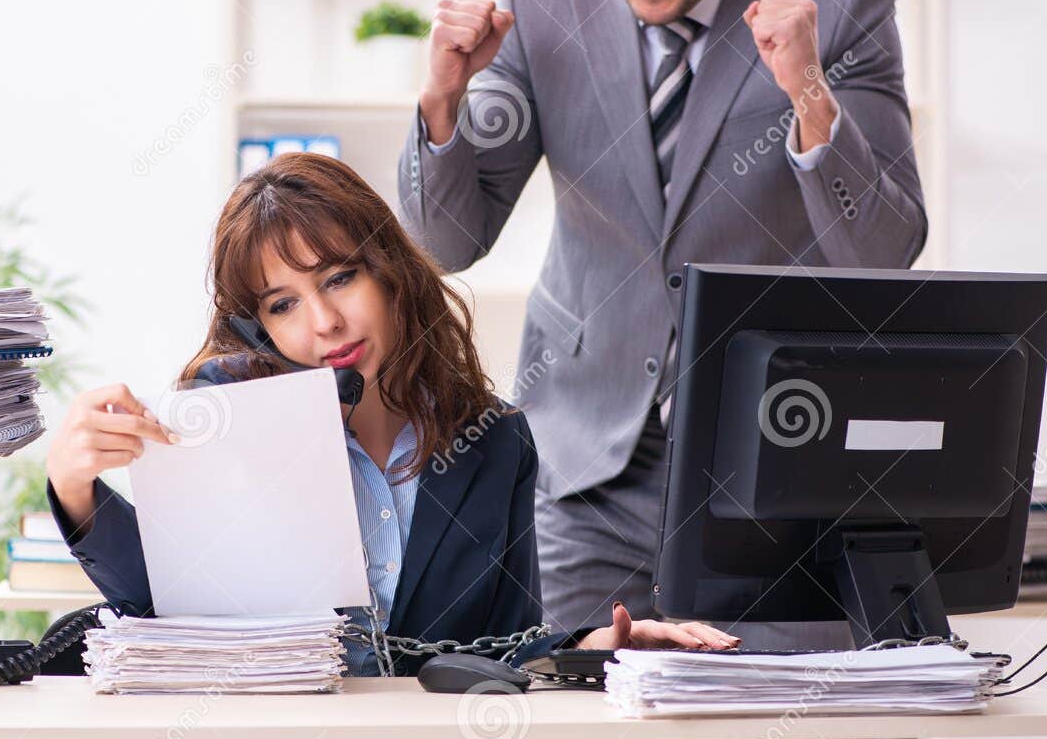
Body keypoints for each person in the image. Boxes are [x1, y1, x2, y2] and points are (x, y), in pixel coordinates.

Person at [397, 0, 928, 633]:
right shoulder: (541, 5)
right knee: (575, 735)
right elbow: (447, 241)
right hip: (588, 470)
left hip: (771, 468)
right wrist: (443, 97)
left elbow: (883, 249)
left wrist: (808, 93)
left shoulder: (842, 3)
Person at [45, 152, 739, 673]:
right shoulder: (231, 418)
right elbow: (167, 611)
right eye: (282, 304)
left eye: (340, 277)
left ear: (391, 274)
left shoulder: (493, 441)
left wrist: (591, 647)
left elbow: (504, 644)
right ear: (257, 329)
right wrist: (76, 490)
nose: (323, 322)